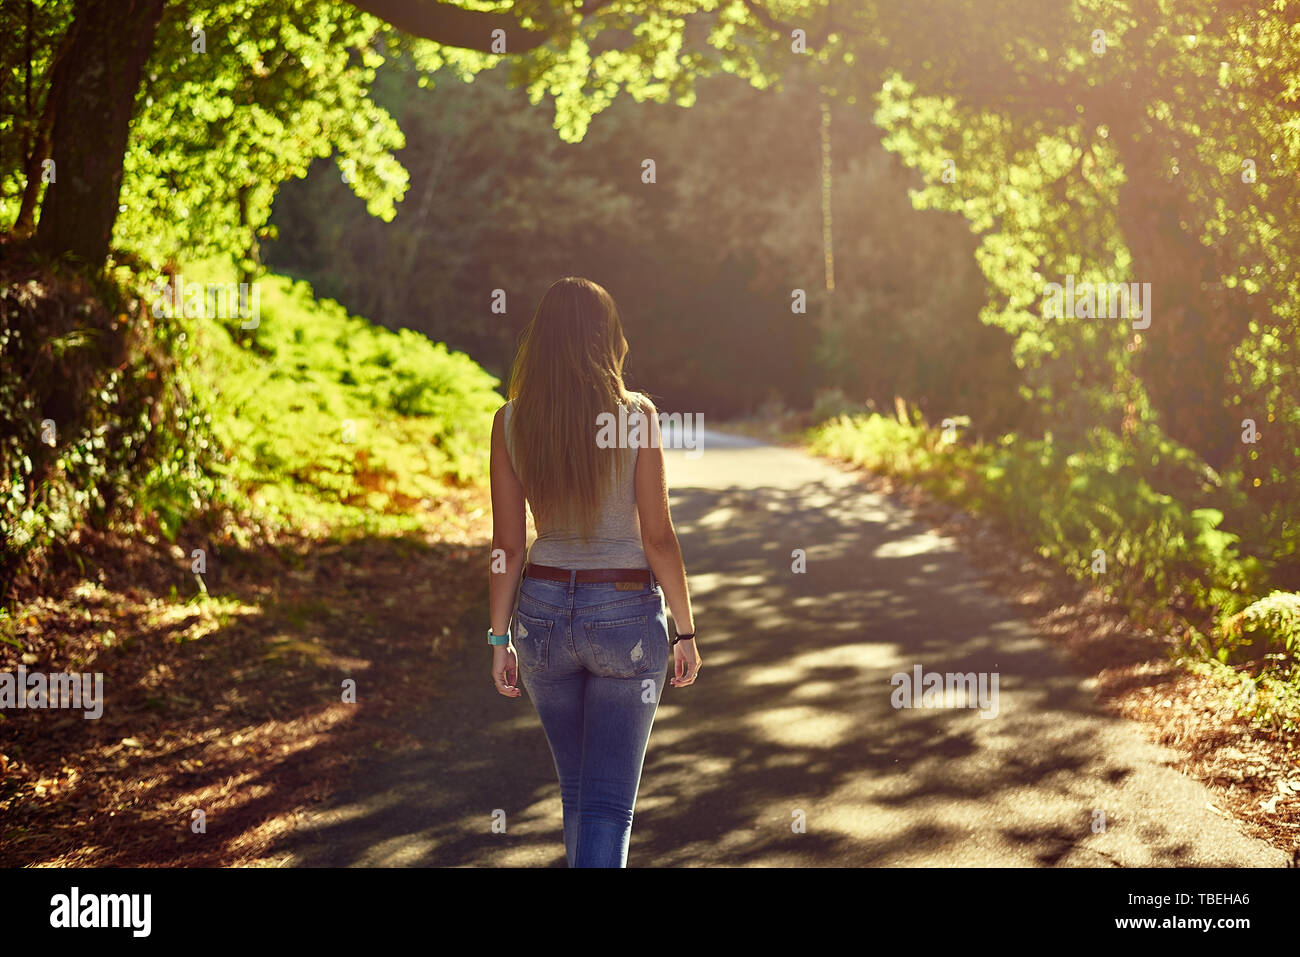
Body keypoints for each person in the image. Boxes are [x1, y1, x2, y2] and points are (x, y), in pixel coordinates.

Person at [487, 276, 700, 868]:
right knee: (608, 804)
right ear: (606, 338)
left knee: (579, 793)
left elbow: (506, 545)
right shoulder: (636, 417)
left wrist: (499, 638)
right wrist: (684, 630)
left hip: (542, 619)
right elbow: (656, 537)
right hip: (625, 617)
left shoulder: (511, 422)